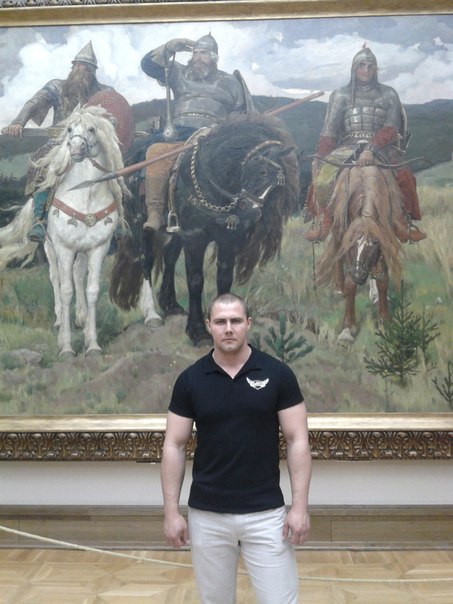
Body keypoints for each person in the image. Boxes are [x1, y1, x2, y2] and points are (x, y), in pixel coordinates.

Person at [161, 293, 311, 604]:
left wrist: (299, 508)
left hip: (266, 514)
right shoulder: (190, 380)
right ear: (209, 326)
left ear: (248, 324)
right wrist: (171, 512)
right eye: (220, 322)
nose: (228, 328)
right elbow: (174, 445)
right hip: (207, 515)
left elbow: (298, 440)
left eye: (235, 321)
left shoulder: (278, 374)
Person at [304, 45, 426, 244]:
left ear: (375, 69)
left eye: (370, 66)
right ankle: (323, 220)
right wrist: (321, 156)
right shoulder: (340, 95)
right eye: (362, 65)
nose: (366, 69)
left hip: (383, 147)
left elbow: (391, 127)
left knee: (405, 176)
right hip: (347, 146)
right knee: (322, 177)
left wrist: (371, 148)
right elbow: (329, 130)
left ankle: (403, 223)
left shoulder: (389, 93)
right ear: (354, 68)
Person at [1, 41, 114, 243]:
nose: (79, 69)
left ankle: (121, 221)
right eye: (76, 65)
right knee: (45, 166)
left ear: (92, 71)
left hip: (93, 146)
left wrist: (113, 122)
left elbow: (115, 116)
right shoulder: (57, 87)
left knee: (116, 169)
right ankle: (39, 219)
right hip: (59, 143)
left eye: (84, 67)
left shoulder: (105, 93)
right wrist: (19, 122)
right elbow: (35, 103)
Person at [140, 33, 253, 232]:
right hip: (180, 132)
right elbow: (148, 66)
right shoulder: (178, 72)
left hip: (215, 136)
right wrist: (168, 47)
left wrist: (225, 131)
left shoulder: (231, 82)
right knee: (155, 152)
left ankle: (239, 210)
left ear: (214, 57)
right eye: (196, 53)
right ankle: (155, 212)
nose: (198, 57)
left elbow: (241, 115)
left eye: (204, 53)